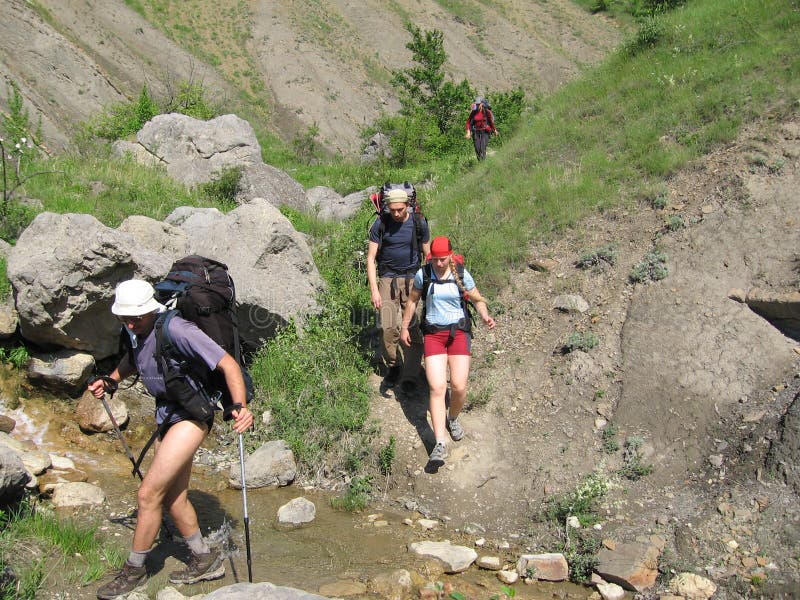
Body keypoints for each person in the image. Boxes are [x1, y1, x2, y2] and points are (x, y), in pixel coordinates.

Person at [88, 279, 254, 599]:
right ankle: (204, 557)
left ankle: (134, 570)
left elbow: (228, 364)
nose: (131, 324)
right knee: (172, 498)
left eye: (136, 318)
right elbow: (134, 358)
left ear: (151, 309)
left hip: (192, 416)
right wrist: (111, 380)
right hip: (167, 414)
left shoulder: (178, 329)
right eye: (126, 319)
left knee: (148, 495)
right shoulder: (134, 329)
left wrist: (240, 407)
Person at [399, 236, 496, 467]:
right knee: (437, 387)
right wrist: (404, 326)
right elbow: (412, 301)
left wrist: (484, 315)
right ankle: (439, 444)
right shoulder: (424, 274)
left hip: (459, 332)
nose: (439, 264)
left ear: (450, 256)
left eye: (443, 259)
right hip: (433, 334)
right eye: (435, 260)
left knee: (459, 387)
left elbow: (477, 299)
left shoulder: (460, 272)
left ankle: (452, 417)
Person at [367, 187, 431, 392]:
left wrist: (431, 286)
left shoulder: (418, 222)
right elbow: (370, 259)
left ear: (408, 206)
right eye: (392, 210)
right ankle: (394, 366)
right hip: (387, 278)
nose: (396, 213)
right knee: (387, 326)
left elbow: (428, 255)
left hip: (413, 279)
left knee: (413, 327)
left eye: (400, 209)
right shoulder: (381, 223)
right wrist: (374, 290)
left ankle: (411, 375)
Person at [465, 96, 498, 161]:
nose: (477, 105)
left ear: (482, 104)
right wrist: (468, 132)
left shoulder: (486, 112)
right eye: (476, 104)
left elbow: (491, 122)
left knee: (482, 148)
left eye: (478, 104)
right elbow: (468, 122)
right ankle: (480, 162)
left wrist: (495, 130)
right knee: (477, 149)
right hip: (476, 132)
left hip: (485, 132)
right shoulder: (473, 112)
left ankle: (483, 163)